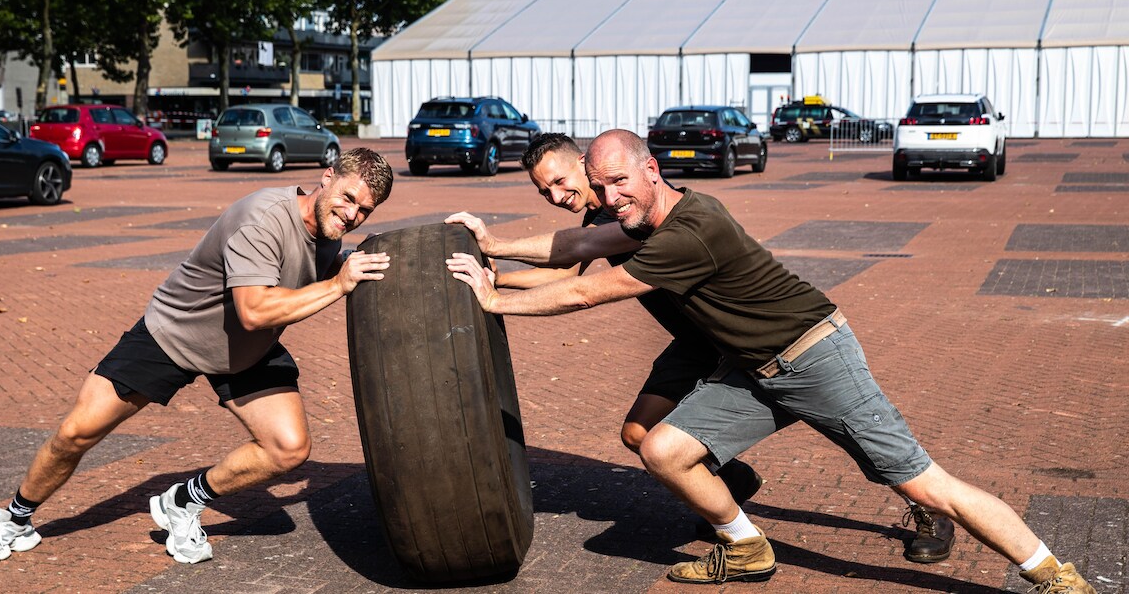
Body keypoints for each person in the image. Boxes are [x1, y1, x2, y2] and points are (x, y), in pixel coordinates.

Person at [445, 130, 1093, 593]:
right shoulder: (646, 219)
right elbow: (578, 245)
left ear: (651, 171)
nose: (609, 196)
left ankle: (1053, 575)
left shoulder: (689, 230)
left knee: (926, 484)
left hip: (814, 358)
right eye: (600, 185)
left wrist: (494, 298)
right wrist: (492, 248)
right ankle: (747, 547)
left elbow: (588, 289)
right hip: (752, 368)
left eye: (619, 182)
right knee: (661, 448)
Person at [0, 148, 395, 567]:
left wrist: (351, 266)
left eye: (365, 210)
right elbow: (254, 311)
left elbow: (303, 275)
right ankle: (14, 519)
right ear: (327, 178)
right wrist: (338, 284)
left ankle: (182, 502)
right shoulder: (262, 218)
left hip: (244, 351)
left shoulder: (328, 230)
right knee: (76, 433)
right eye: (347, 198)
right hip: (173, 335)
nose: (351, 214)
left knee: (288, 448)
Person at [447, 133, 764, 513]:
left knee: (660, 438)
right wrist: (498, 278)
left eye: (559, 181)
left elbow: (577, 265)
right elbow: (564, 272)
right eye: (544, 191)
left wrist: (495, 257)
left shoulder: (635, 211)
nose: (555, 196)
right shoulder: (596, 219)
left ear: (585, 163)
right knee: (637, 433)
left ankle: (724, 510)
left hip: (720, 338)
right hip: (690, 344)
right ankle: (733, 481)